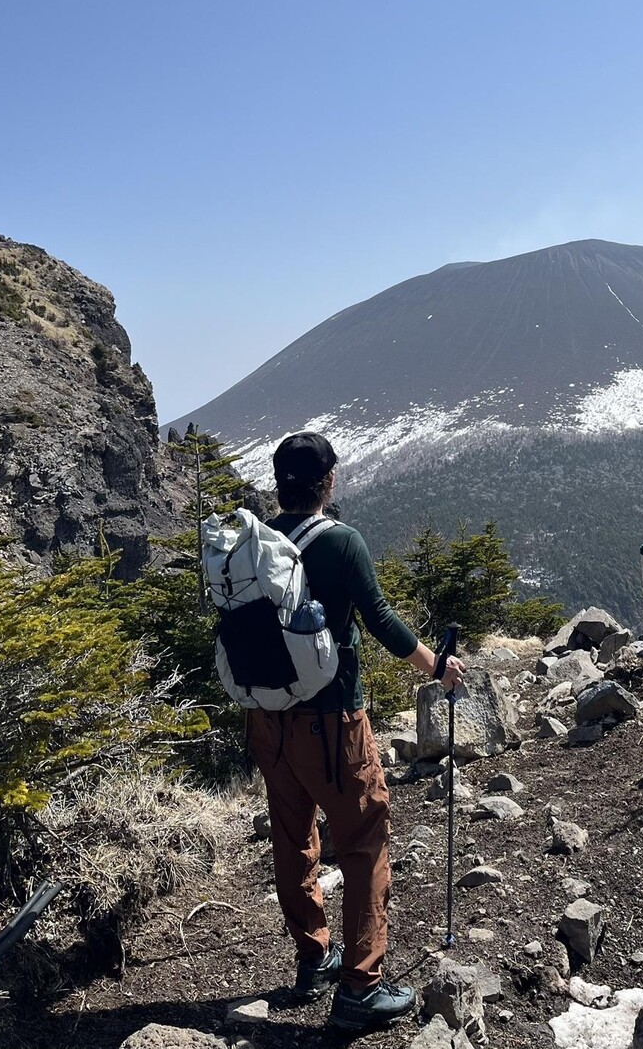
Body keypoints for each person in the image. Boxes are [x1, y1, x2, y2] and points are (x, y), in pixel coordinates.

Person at [246, 431, 465, 1034]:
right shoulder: (340, 541)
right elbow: (381, 621)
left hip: (267, 721)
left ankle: (315, 956)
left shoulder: (256, 545)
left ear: (278, 481)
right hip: (331, 722)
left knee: (293, 840)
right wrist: (437, 667)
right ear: (330, 481)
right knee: (364, 837)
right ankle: (360, 987)